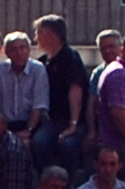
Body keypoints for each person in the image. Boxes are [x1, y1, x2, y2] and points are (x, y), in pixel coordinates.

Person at [32, 14, 88, 176]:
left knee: (68, 145)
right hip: (53, 121)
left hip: (76, 122)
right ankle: (46, 182)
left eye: (38, 33)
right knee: (39, 143)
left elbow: (75, 90)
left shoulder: (70, 57)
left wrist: (73, 124)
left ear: (50, 33)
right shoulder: (44, 61)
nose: (35, 38)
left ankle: (67, 185)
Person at [0, 31, 49, 143]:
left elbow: (39, 105)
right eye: (14, 49)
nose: (19, 53)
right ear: (6, 52)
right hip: (4, 124)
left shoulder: (38, 69)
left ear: (29, 50)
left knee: (37, 142)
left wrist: (29, 130)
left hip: (31, 123)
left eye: (23, 48)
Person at [84, 29, 123, 167]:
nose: (107, 51)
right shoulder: (106, 73)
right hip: (111, 136)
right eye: (103, 48)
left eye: (111, 46)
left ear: (120, 47)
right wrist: (92, 132)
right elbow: (91, 104)